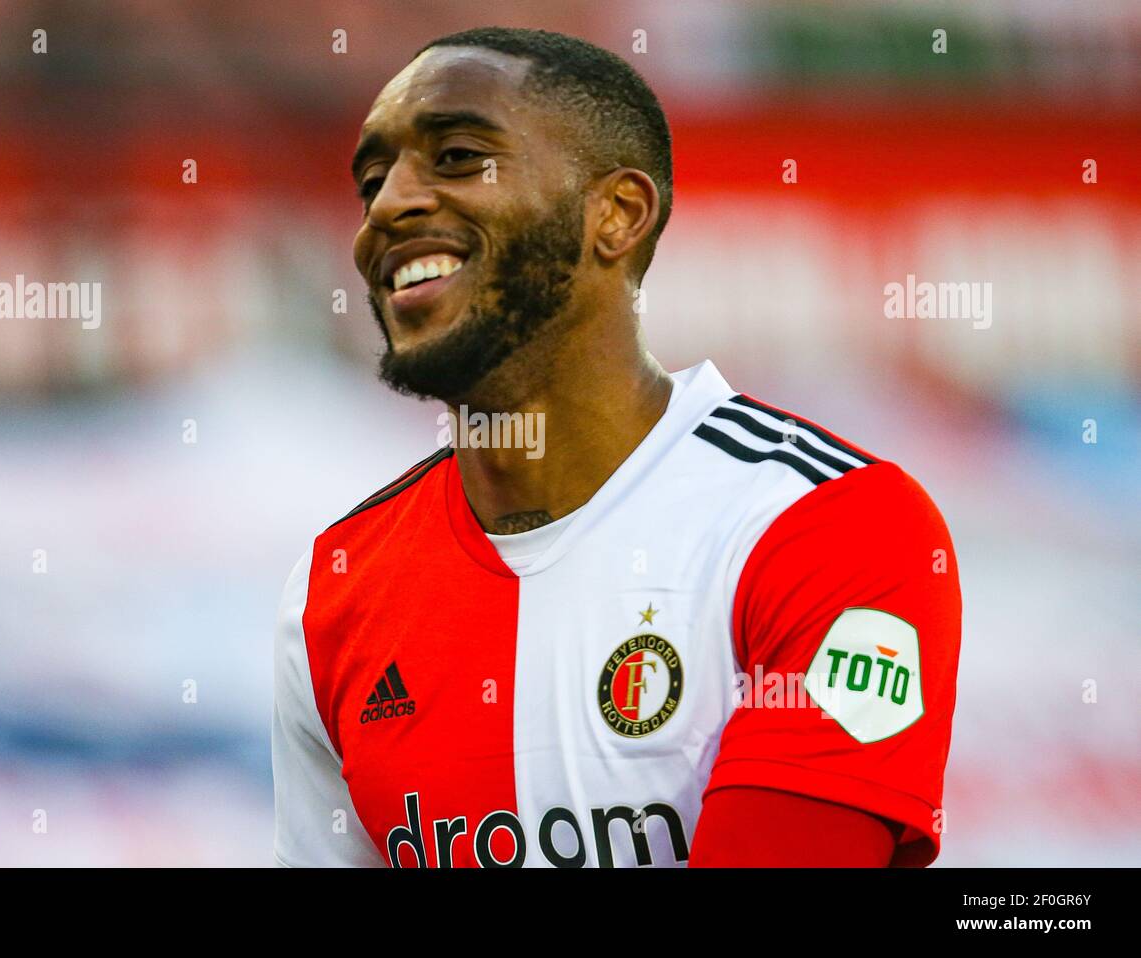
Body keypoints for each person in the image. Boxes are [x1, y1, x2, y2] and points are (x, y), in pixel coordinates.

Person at [272, 27, 961, 868]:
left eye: (456, 157)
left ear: (618, 215)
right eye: (372, 181)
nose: (388, 207)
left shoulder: (831, 526)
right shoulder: (333, 593)